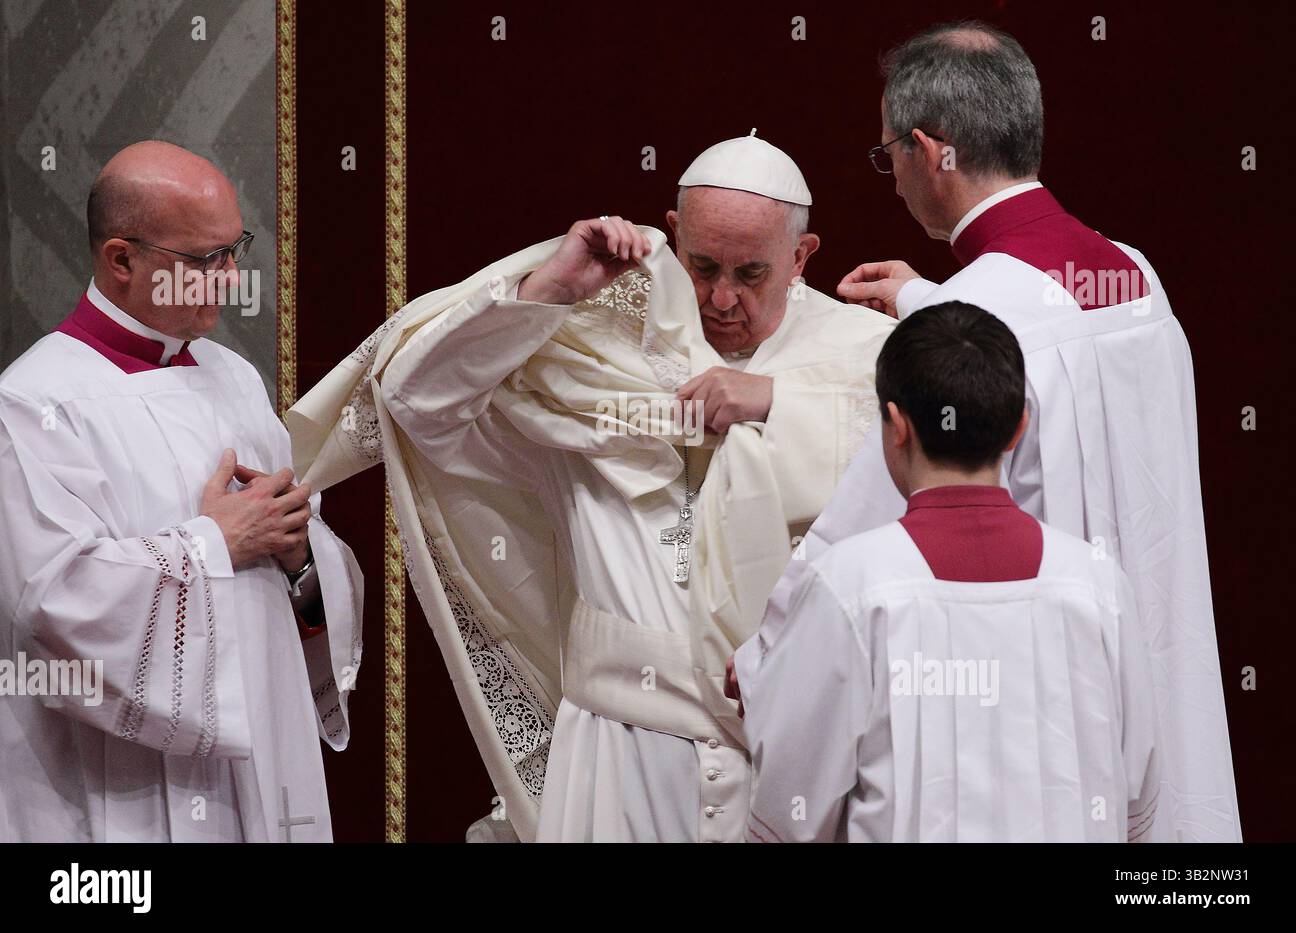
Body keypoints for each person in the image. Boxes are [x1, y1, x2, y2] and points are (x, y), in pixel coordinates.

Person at [287, 133, 895, 842]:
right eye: (701, 267)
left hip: (787, 756)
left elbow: (912, 473)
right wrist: (552, 290)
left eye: (751, 273)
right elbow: (418, 400)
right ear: (671, 236)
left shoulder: (866, 356)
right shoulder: (585, 342)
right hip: (620, 749)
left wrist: (774, 405)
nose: (722, 298)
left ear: (803, 255)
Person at [750, 20, 1238, 842]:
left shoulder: (980, 315)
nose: (892, 179)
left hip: (1027, 711)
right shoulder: (1138, 277)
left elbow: (871, 519)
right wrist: (927, 298)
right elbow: (1042, 320)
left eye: (888, 155)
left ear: (928, 148)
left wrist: (767, 655)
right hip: (1151, 667)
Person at [0, 141, 364, 842]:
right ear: (121, 259)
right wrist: (214, 544)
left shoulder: (234, 378)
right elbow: (53, 602)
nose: (230, 280)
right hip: (122, 783)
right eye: (204, 261)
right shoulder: (33, 404)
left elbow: (297, 553)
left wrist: (299, 554)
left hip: (260, 754)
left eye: (235, 251)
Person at [742, 301, 1164, 843]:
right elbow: (1137, 794)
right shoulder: (1098, 583)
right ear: (1019, 428)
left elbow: (790, 805)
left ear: (896, 426)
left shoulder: (849, 583)